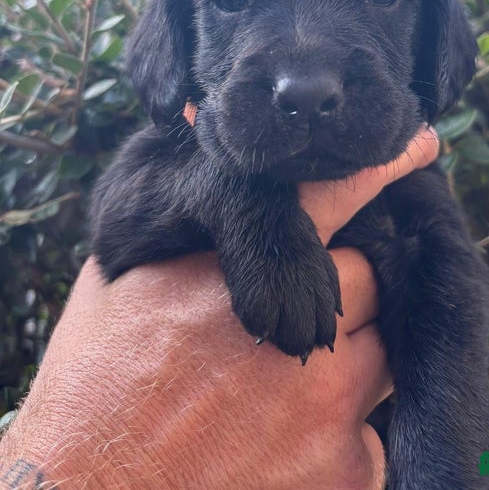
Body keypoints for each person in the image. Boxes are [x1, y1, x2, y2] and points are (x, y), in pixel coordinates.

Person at [0, 127, 440, 490]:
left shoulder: (404, 174)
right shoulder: (177, 142)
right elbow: (115, 223)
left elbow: (448, 314)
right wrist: (241, 194)